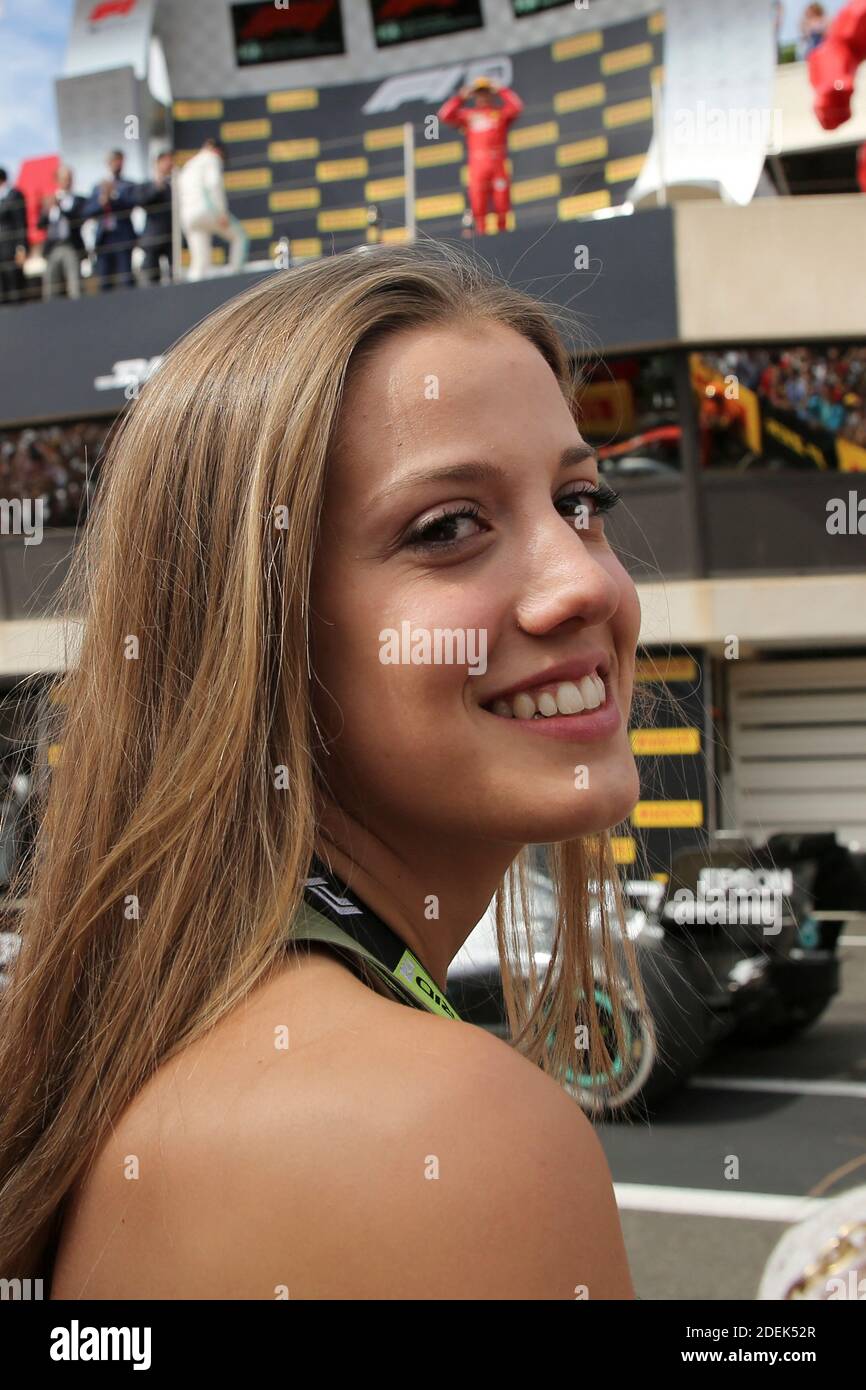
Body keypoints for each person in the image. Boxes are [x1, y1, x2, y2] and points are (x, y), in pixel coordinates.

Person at [0, 242, 646, 1299]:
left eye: (579, 499)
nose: (581, 582)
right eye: (449, 527)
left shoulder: (191, 1022)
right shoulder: (440, 1133)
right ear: (255, 639)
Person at [438, 76, 524, 234]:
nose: (483, 96)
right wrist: (460, 97)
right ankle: (481, 238)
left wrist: (501, 89)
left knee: (502, 205)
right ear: (474, 95)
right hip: (477, 166)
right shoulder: (468, 115)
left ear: (492, 94)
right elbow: (444, 115)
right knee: (478, 206)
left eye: (486, 92)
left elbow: (517, 107)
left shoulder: (500, 114)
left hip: (498, 164)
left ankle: (504, 237)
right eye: (479, 93)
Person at [177, 138, 248, 281]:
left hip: (188, 217)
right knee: (240, 237)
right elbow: (214, 185)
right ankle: (236, 278)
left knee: (199, 263)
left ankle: (192, 294)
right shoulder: (212, 158)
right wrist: (221, 213)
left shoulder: (189, 164)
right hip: (207, 211)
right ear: (218, 151)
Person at [80, 149, 138, 292]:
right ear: (108, 163)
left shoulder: (127, 185)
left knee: (126, 278)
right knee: (104, 280)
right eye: (114, 161)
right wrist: (102, 201)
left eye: (119, 161)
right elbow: (87, 211)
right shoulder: (98, 187)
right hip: (104, 239)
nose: (117, 164)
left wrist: (113, 195)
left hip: (123, 237)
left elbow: (132, 203)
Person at [37, 165, 87, 301]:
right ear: (57, 180)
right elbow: (40, 224)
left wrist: (60, 207)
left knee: (75, 285)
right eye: (64, 179)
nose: (67, 182)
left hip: (71, 246)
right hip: (52, 248)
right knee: (51, 286)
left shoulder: (78, 200)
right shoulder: (49, 201)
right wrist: (49, 209)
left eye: (69, 179)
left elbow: (78, 219)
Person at [133, 149, 175, 285]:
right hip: (153, 238)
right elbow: (142, 201)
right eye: (166, 161)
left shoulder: (174, 185)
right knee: (151, 279)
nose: (170, 164)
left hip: (172, 237)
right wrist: (157, 186)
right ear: (158, 163)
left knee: (175, 275)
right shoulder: (147, 185)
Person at [0, 168, 28, 306]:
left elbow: (21, 223)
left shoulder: (15, 195)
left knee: (14, 284)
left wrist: (21, 247)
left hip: (10, 249)